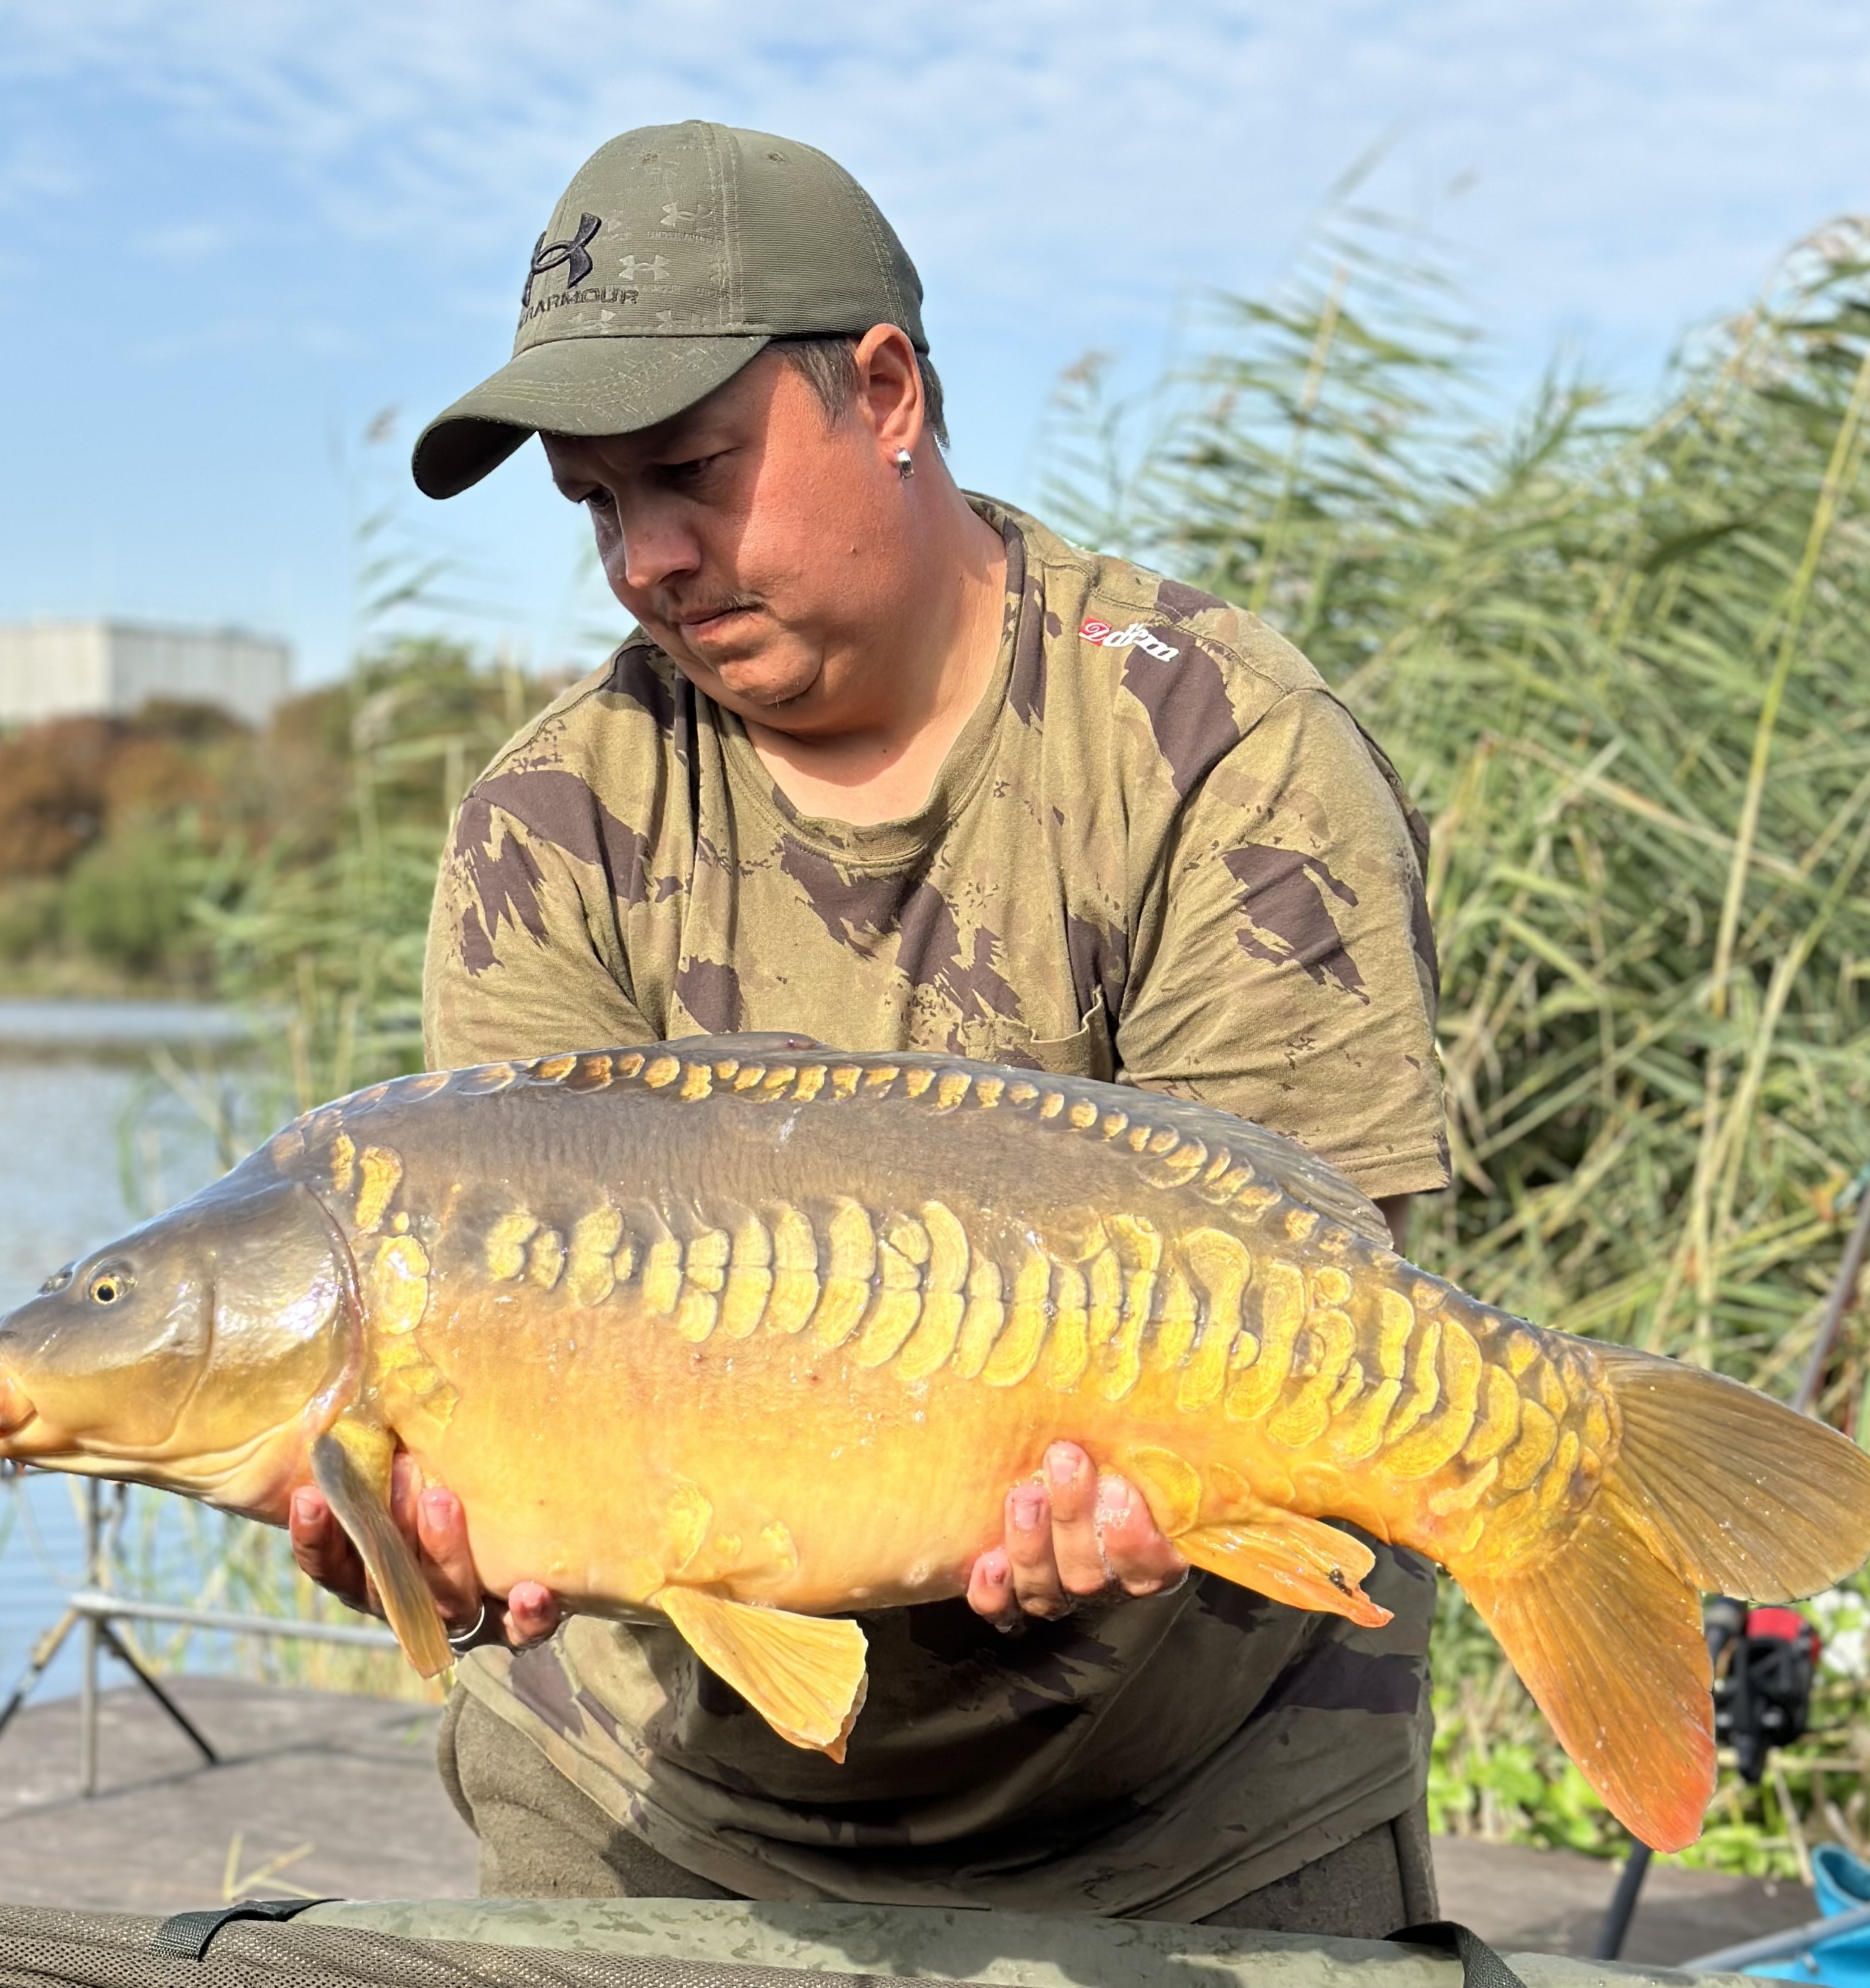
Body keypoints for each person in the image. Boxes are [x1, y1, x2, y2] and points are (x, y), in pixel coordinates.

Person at [290, 119, 1452, 1936]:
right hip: (668, 1806)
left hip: (1195, 1802)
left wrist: (1170, 1476)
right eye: (595, 502)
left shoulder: (1221, 747)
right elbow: (516, 1386)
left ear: (887, 390)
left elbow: (1319, 1279)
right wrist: (417, 1538)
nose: (645, 558)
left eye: (688, 470)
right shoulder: (552, 824)